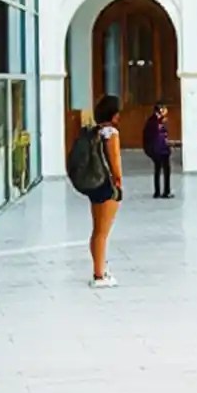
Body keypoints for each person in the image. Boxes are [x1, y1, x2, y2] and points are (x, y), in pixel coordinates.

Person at [86, 96, 125, 288]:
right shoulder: (111, 133)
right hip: (107, 184)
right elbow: (115, 162)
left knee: (96, 230)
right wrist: (119, 182)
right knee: (103, 232)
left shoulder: (95, 132)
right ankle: (99, 275)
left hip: (95, 182)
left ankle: (99, 266)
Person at [143, 102, 174, 198]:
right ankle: (163, 191)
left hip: (160, 148)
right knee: (163, 169)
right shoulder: (155, 121)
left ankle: (161, 191)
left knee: (160, 169)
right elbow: (157, 136)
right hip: (159, 149)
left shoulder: (157, 120)